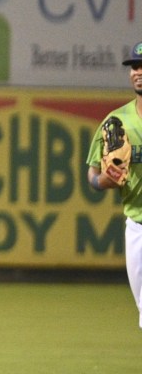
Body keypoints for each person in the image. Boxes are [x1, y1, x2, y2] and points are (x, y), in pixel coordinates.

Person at [87, 39, 142, 330]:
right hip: (138, 228)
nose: (138, 71)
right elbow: (94, 175)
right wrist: (103, 180)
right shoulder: (116, 121)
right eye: (134, 66)